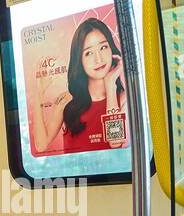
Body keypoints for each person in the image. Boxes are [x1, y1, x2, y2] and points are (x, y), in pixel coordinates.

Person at [31, 17, 127, 155]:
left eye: (103, 47)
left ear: (111, 49)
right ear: (79, 59)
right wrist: (39, 93)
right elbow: (41, 145)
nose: (98, 59)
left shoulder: (123, 99)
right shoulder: (67, 100)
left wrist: (110, 85)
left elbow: (115, 142)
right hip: (75, 176)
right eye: (88, 53)